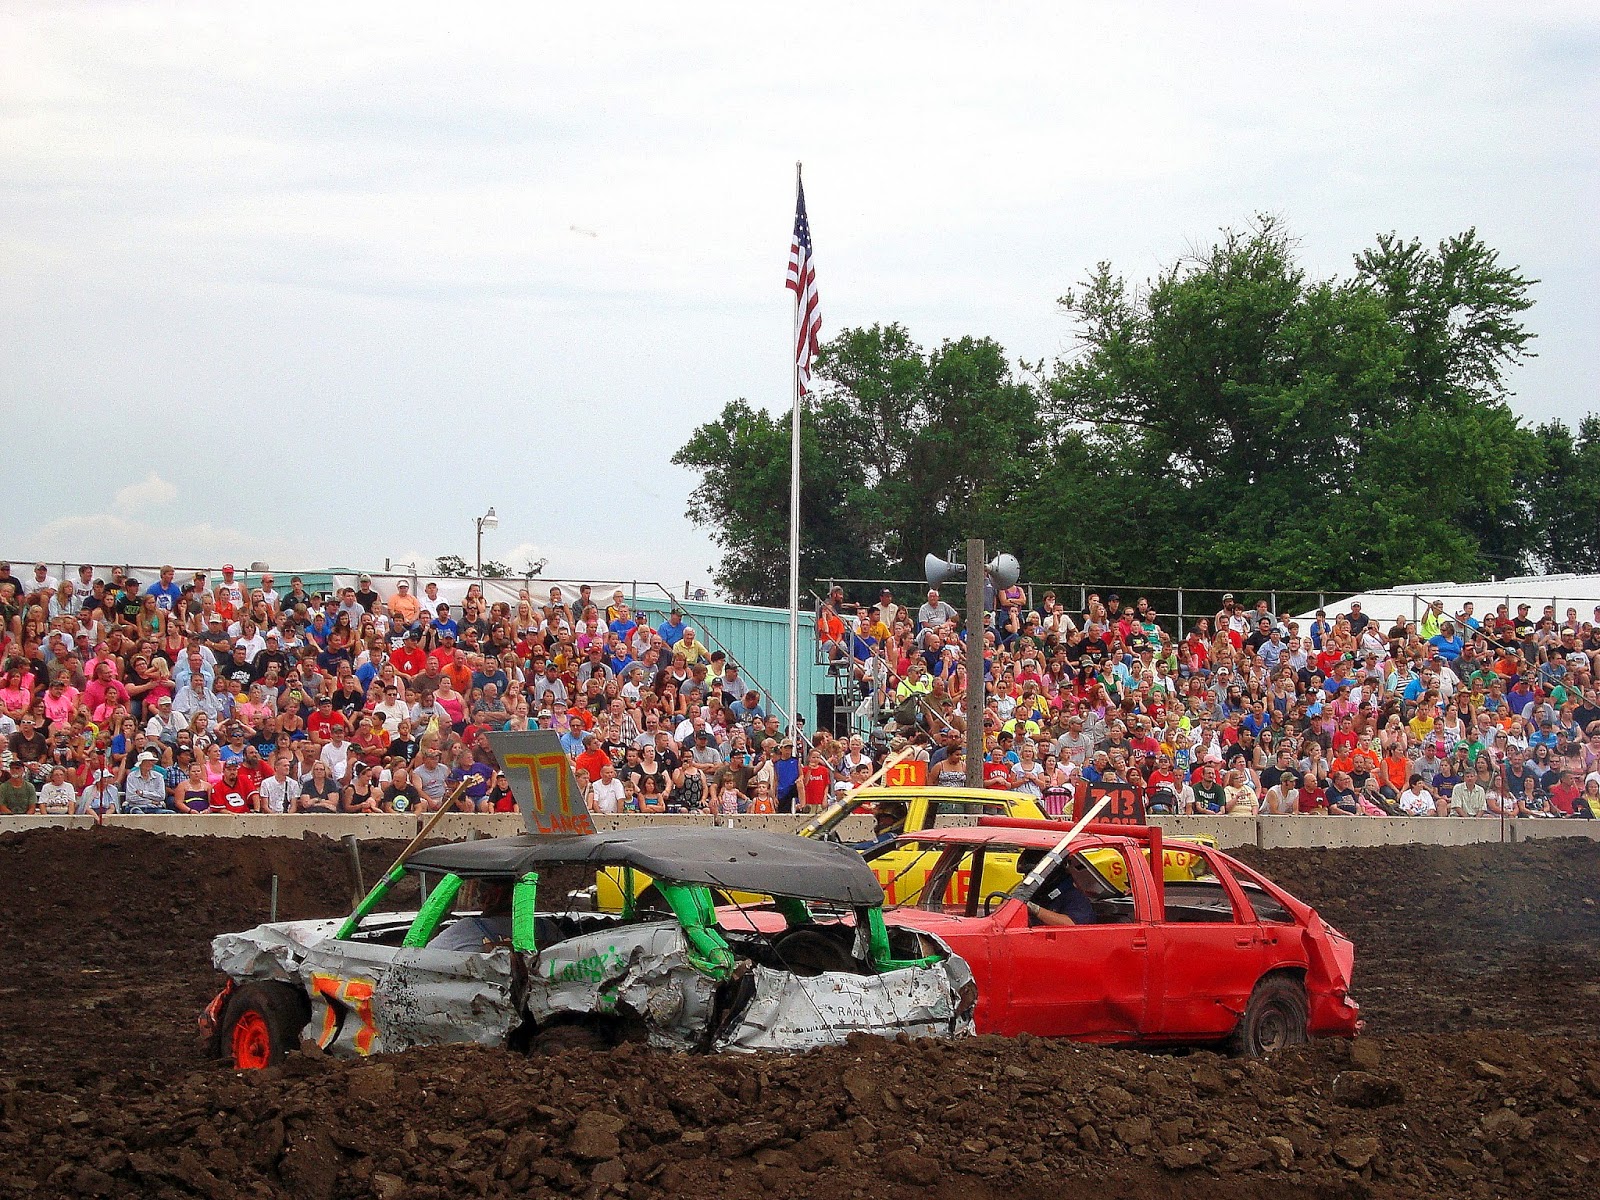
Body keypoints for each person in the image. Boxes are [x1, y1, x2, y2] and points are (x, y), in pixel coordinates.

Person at [1016, 848, 1097, 926]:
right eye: (1026, 875)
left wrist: (1035, 909)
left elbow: (1071, 924)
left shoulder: (1074, 897)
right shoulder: (1037, 895)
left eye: (1033, 875)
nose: (1028, 879)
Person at [430, 879, 515, 953]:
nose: (479, 896)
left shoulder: (468, 927)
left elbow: (426, 957)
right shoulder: (523, 931)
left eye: (482, 889)